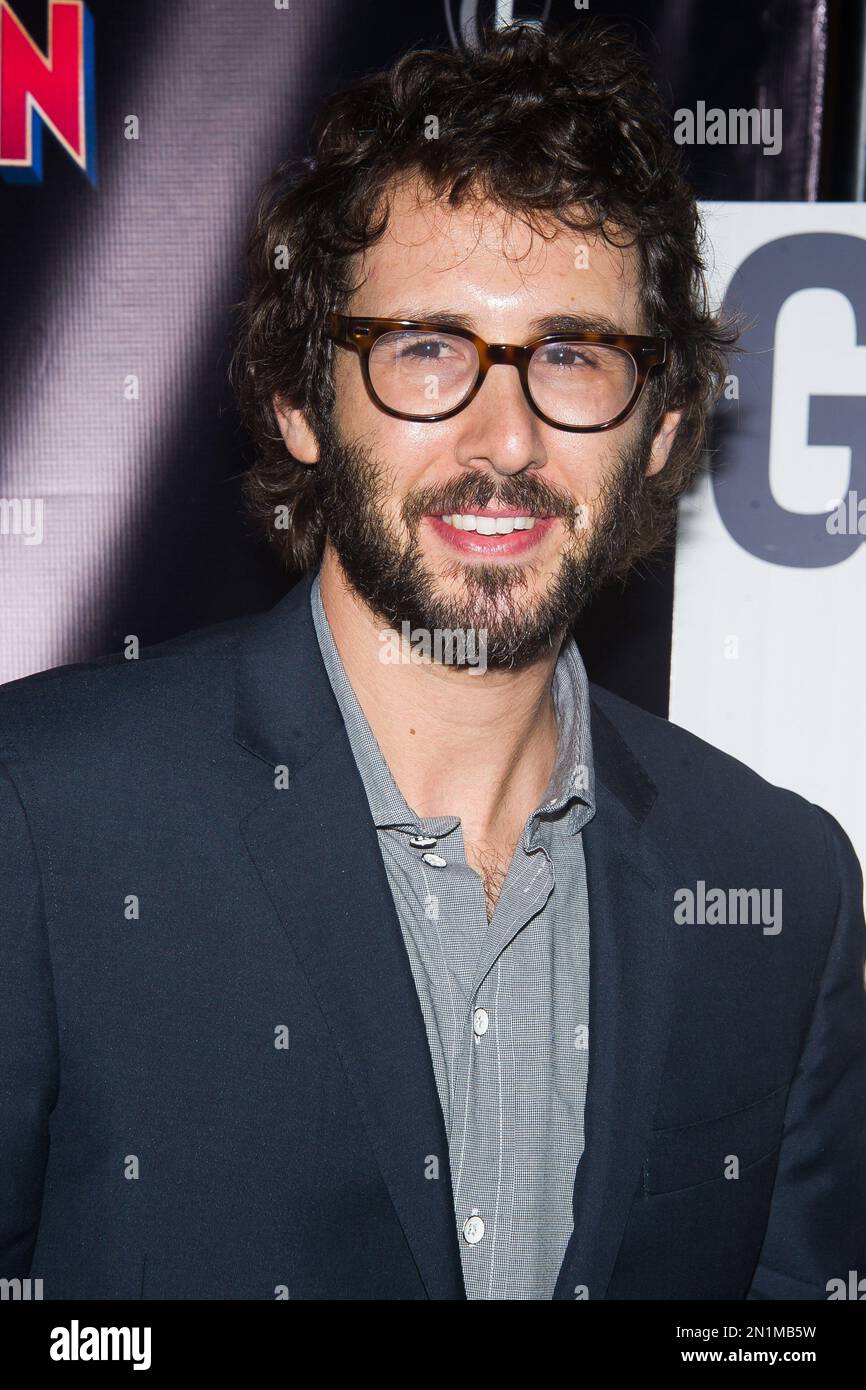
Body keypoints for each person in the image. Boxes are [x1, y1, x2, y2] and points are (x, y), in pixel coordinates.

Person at [1, 21, 864, 1302]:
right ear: (300, 400)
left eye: (572, 355)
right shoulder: (42, 815)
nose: (502, 438)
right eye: (424, 350)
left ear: (662, 427)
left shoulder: (777, 885)